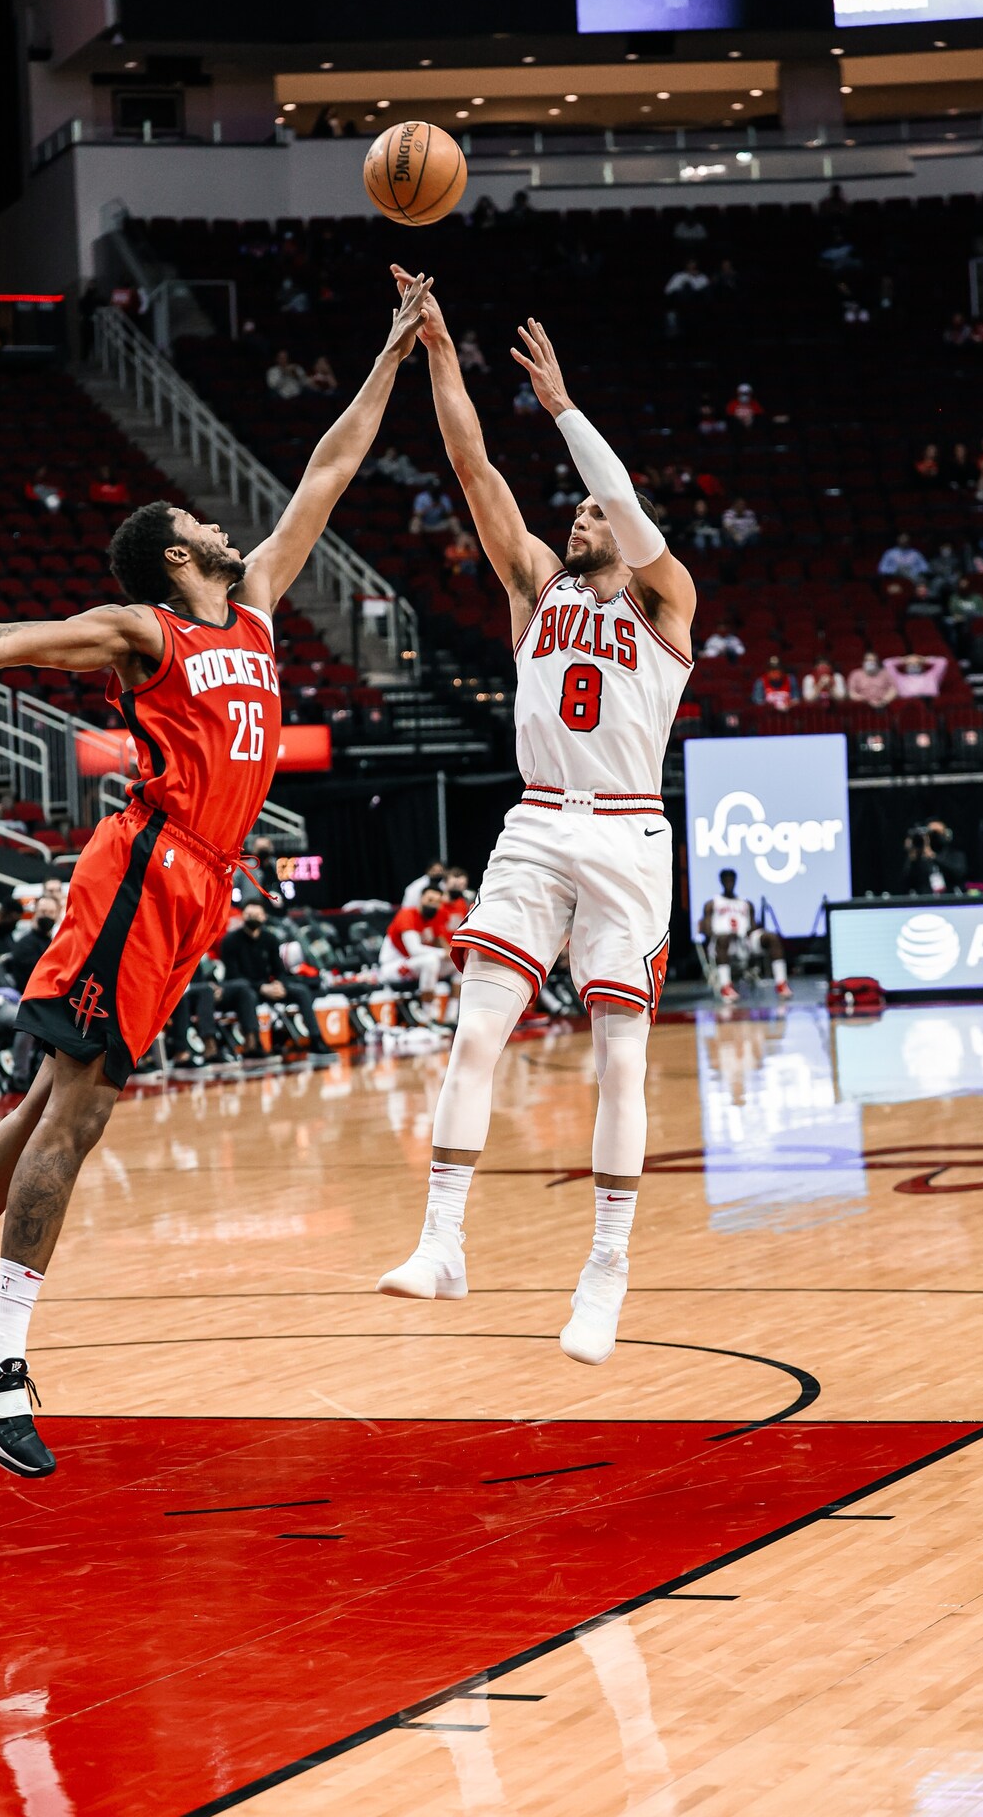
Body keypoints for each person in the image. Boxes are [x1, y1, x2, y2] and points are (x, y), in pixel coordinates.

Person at [0, 271, 431, 1479]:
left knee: (50, 1105)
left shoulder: (251, 614)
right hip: (144, 868)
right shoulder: (147, 631)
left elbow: (328, 470)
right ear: (171, 559)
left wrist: (395, 350)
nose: (222, 525)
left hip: (197, 884)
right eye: (200, 526)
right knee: (80, 1114)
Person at [378, 273, 695, 1368]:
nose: (579, 514)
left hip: (625, 833)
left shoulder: (665, 604)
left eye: (596, 508)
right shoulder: (534, 585)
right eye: (575, 509)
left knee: (616, 1062)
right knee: (471, 1031)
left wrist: (563, 407)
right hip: (533, 825)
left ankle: (603, 1273)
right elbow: (473, 467)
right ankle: (440, 1244)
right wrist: (435, 353)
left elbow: (625, 504)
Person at [221, 901, 335, 1060]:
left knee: (301, 991)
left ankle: (316, 1039)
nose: (253, 918)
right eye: (249, 915)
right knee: (247, 994)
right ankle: (254, 1044)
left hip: (267, 986)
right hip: (243, 988)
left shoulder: (270, 939)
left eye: (256, 915)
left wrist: (280, 984)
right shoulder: (230, 941)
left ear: (264, 917)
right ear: (243, 916)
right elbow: (233, 975)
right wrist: (261, 987)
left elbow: (279, 970)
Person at [699, 868, 789, 1003]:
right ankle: (726, 986)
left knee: (771, 937)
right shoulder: (712, 903)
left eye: (731, 879)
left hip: (743, 942)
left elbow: (752, 928)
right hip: (721, 945)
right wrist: (726, 934)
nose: (729, 882)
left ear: (735, 881)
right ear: (721, 881)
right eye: (726, 879)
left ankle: (781, 983)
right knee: (724, 939)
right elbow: (706, 930)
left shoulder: (746, 903)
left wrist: (750, 934)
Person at [379, 884, 453, 1002]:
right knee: (430, 961)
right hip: (394, 965)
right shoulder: (407, 915)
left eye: (437, 902)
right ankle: (427, 1015)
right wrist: (443, 953)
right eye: (430, 900)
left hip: (415, 963)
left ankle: (452, 1013)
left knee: (458, 964)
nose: (433, 904)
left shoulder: (435, 916)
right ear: (421, 898)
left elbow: (439, 940)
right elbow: (414, 950)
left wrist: (452, 955)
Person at [7, 895, 59, 993]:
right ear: (35, 913)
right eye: (43, 912)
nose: (47, 915)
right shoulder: (25, 945)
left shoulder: (54, 942)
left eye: (51, 912)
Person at [410, 476, 464, 542]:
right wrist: (429, 507)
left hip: (439, 523)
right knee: (415, 521)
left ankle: (459, 542)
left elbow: (450, 514)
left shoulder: (444, 498)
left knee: (454, 520)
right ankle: (414, 544)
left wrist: (442, 507)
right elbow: (417, 514)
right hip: (426, 524)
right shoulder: (421, 497)